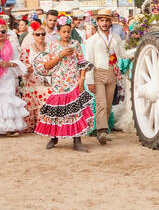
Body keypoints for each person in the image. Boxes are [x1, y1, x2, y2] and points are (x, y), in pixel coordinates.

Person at [33, 15, 95, 151]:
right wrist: (60, 55)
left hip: (73, 81)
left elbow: (82, 63)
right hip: (58, 83)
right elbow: (47, 65)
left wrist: (82, 79)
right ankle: (54, 138)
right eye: (63, 32)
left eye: (68, 31)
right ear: (58, 31)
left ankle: (77, 141)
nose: (66, 34)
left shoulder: (76, 44)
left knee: (76, 111)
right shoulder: (53, 46)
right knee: (57, 112)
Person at [83, 9, 130, 145]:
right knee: (101, 103)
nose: (104, 23)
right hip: (98, 72)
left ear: (111, 22)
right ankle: (101, 131)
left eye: (107, 20)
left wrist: (135, 52)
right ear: (97, 22)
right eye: (102, 20)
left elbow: (122, 53)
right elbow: (89, 62)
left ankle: (103, 128)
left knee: (108, 103)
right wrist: (90, 81)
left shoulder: (115, 38)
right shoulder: (92, 40)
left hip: (112, 73)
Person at [17, 20, 51, 131]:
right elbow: (23, 68)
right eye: (38, 34)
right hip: (32, 82)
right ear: (33, 35)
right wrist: (32, 68)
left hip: (47, 82)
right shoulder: (27, 50)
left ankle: (45, 126)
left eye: (43, 34)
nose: (41, 37)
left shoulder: (50, 48)